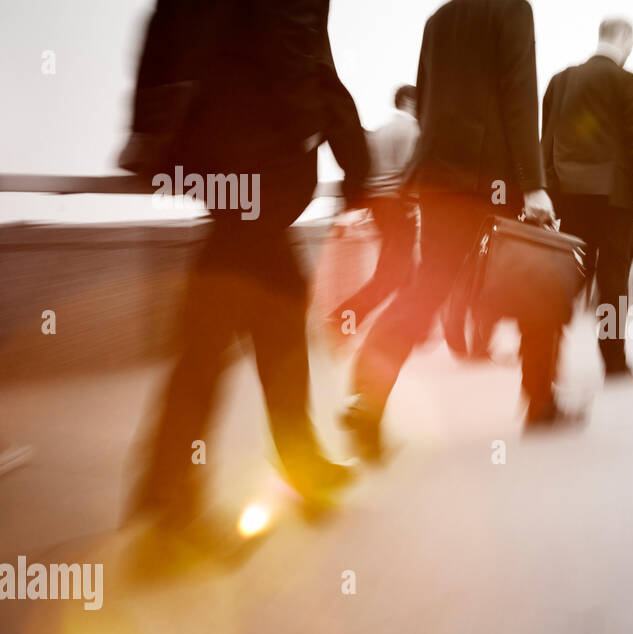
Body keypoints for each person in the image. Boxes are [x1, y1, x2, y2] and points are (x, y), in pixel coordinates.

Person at [123, 0, 370, 530]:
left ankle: (287, 463)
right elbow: (301, 50)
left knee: (275, 307)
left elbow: (165, 28)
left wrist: (147, 129)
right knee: (213, 332)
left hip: (215, 156)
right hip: (260, 160)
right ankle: (169, 497)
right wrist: (342, 149)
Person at [344, 0, 569, 456]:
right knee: (539, 281)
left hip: (439, 175)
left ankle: (367, 400)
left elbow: (426, 101)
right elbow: (520, 95)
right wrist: (533, 185)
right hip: (494, 179)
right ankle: (541, 403)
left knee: (426, 288)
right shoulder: (511, 10)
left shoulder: (438, 19)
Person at [542, 17, 633, 379]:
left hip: (570, 194)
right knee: (612, 276)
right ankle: (614, 362)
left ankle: (541, 353)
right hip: (614, 196)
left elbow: (546, 140)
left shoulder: (560, 81)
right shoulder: (627, 81)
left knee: (572, 273)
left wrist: (548, 191)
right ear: (624, 38)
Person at [331, 85, 420, 328]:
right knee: (391, 275)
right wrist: (414, 205)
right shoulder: (411, 129)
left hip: (379, 206)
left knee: (406, 274)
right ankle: (344, 316)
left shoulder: (380, 131)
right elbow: (412, 174)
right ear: (410, 102)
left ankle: (409, 326)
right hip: (398, 208)